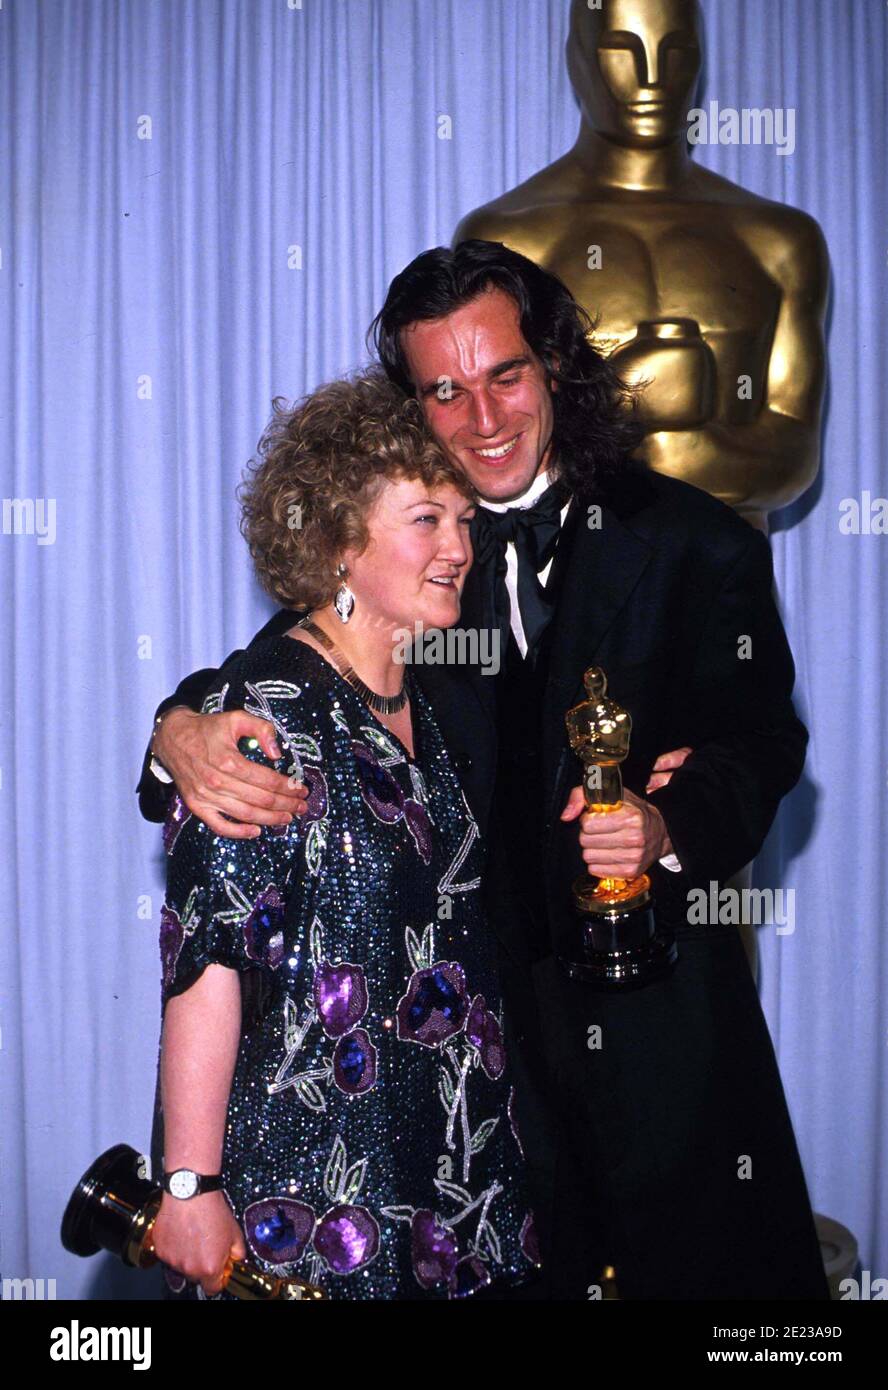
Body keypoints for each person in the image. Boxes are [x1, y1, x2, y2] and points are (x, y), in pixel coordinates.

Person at [141, 241, 829, 1301]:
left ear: (553, 363)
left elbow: (764, 742)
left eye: (505, 375)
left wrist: (665, 822)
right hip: (473, 1070)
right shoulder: (401, 559)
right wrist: (176, 727)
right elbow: (288, 670)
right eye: (445, 392)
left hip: (655, 1021)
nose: (485, 419)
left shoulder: (695, 543)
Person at [148, 369, 539, 1301]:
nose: (458, 546)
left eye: (463, 520)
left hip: (450, 1180)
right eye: (425, 520)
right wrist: (190, 1185)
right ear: (337, 546)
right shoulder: (265, 718)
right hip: (311, 1202)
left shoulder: (434, 702)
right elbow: (208, 962)